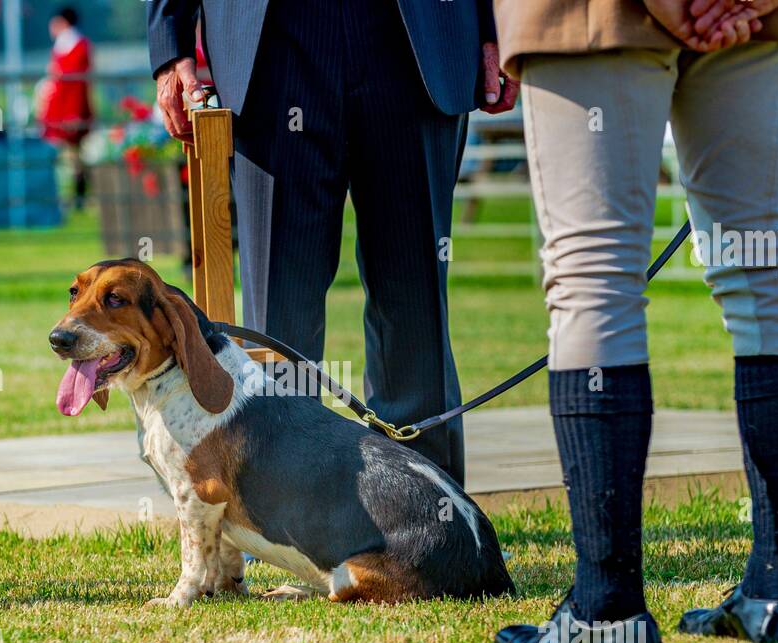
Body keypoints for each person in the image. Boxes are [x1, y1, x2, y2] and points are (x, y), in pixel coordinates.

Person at [491, 0, 778, 643]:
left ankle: (605, 611)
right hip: (753, 16)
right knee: (764, 265)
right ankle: (773, 594)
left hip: (597, 16)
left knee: (594, 278)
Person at [146, 0, 517, 487]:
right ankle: (283, 514)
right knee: (280, 316)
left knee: (415, 305)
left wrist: (497, 27)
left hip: (417, 39)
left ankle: (428, 517)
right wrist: (170, 40)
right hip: (272, 42)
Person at [37, 6, 94, 207]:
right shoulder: (63, 45)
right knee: (68, 158)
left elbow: (78, 84)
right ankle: (70, 198)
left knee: (75, 157)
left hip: (70, 111)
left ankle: (79, 198)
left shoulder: (77, 46)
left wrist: (74, 113)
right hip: (59, 111)